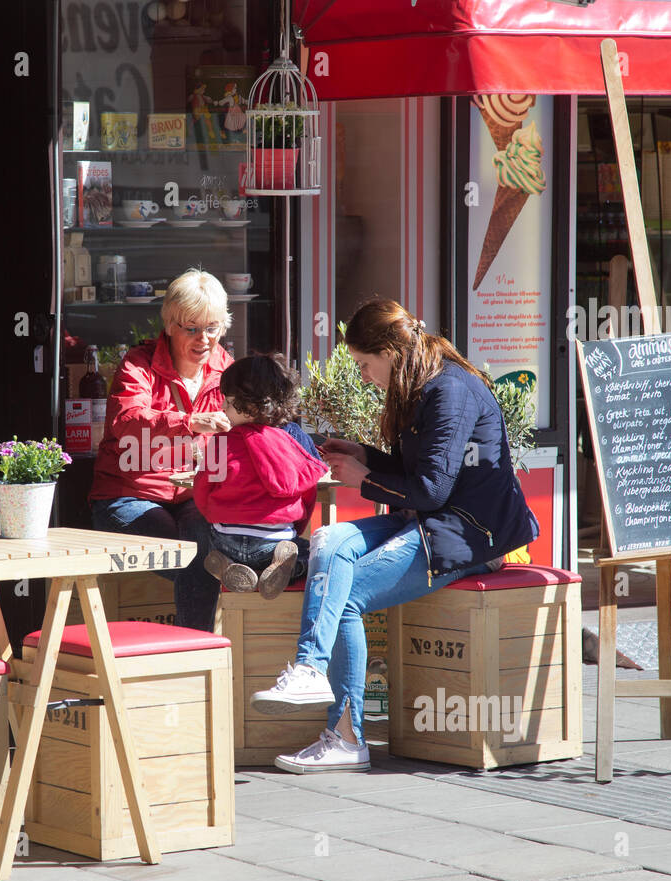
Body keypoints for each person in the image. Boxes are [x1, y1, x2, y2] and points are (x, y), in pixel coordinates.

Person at [250, 300, 539, 773]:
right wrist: (363, 454)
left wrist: (361, 478)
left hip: (470, 535)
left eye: (366, 364)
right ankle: (307, 669)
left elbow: (430, 489)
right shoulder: (424, 382)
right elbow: (419, 474)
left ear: (391, 351)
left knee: (344, 597)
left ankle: (345, 737)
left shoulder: (450, 390)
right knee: (329, 540)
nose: (364, 376)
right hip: (433, 520)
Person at [89, 268, 233, 632]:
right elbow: (126, 420)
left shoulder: (227, 369)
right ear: (169, 325)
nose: (204, 339)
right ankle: (198, 655)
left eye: (212, 328)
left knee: (207, 543)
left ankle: (195, 654)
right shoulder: (138, 365)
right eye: (191, 328)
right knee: (199, 558)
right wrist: (190, 422)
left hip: (193, 494)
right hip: (128, 496)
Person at [194, 354, 327, 599]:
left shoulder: (221, 442)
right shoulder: (293, 441)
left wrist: (214, 517)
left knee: (209, 537)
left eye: (229, 401)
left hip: (227, 540)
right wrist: (295, 528)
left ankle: (229, 566)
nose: (222, 407)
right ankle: (285, 566)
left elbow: (202, 491)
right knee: (312, 554)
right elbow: (306, 492)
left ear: (252, 406)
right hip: (274, 542)